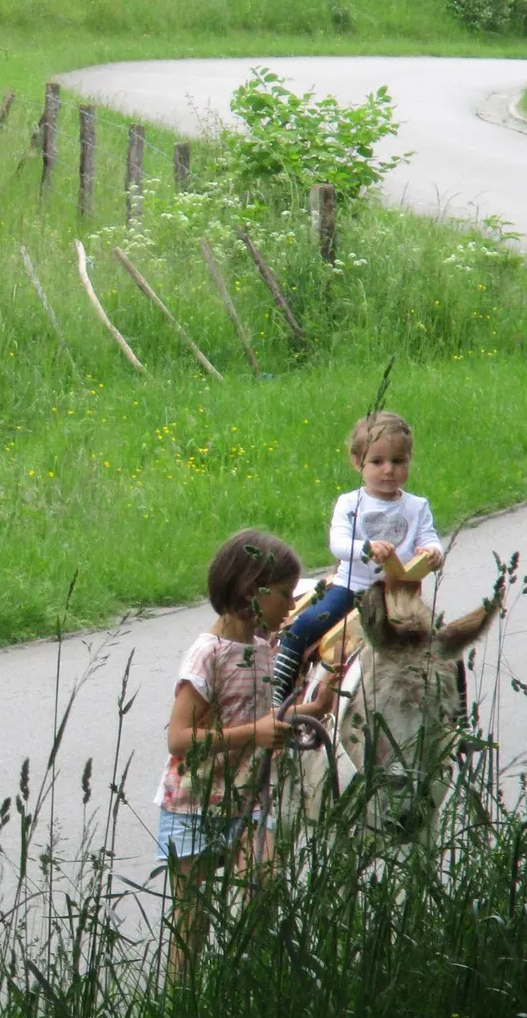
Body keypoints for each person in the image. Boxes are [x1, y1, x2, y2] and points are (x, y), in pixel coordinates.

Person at [160, 529, 312, 977]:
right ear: (252, 591)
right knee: (192, 918)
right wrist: (256, 733)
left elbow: (262, 717)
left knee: (265, 879)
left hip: (249, 799)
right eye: (285, 594)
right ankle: (181, 1011)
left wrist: (306, 709)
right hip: (196, 802)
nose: (291, 605)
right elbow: (178, 738)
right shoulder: (208, 654)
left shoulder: (263, 649)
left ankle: (247, 982)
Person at [267, 411, 444, 710]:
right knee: (303, 627)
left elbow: (428, 537)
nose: (388, 470)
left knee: (441, 648)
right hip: (351, 591)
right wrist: (366, 548)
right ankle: (275, 699)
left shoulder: (416, 506)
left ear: (409, 460)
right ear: (357, 461)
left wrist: (433, 552)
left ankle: (451, 714)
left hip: (401, 600)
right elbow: (337, 544)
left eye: (398, 461)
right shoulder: (350, 503)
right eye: (377, 462)